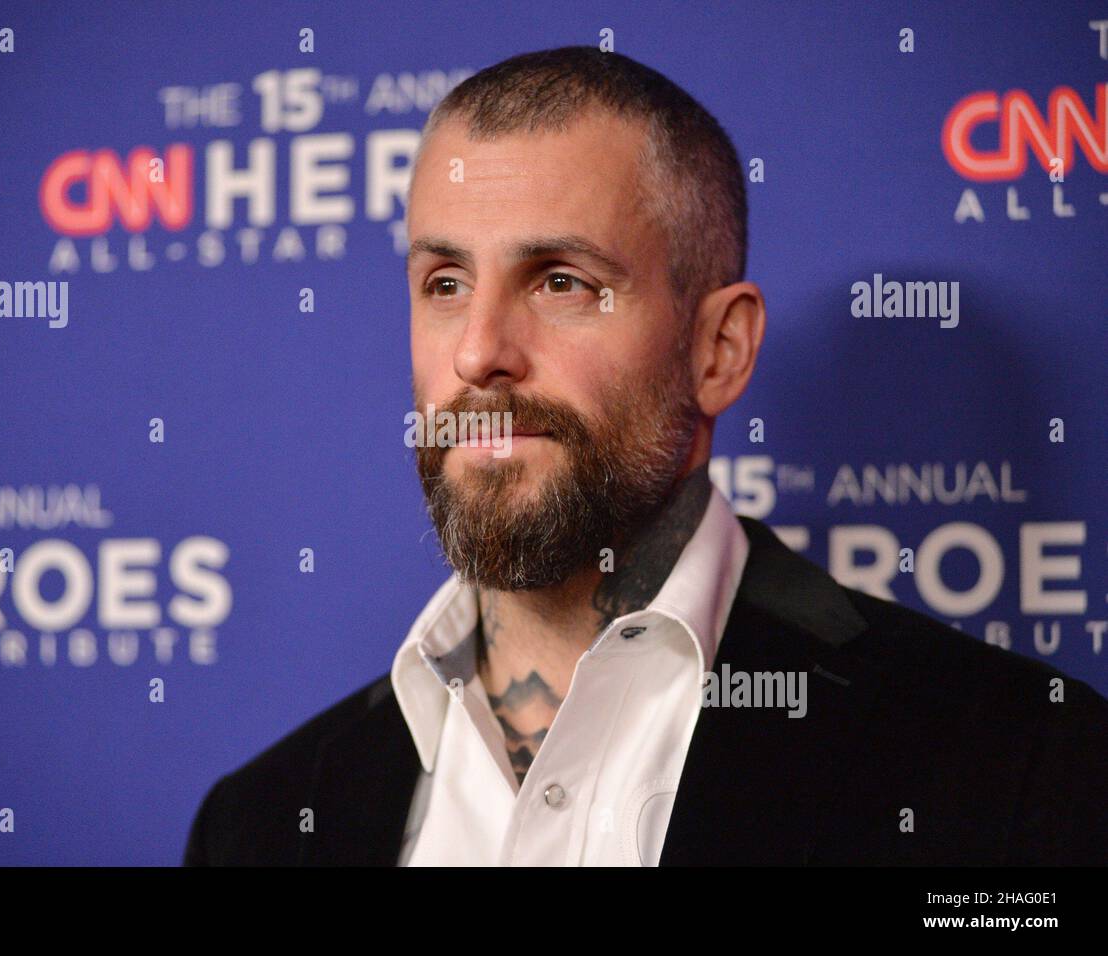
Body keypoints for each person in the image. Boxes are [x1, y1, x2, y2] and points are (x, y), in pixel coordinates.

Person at [183, 46, 1108, 866]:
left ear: (720, 350)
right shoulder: (260, 823)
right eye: (446, 282)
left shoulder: (1013, 767)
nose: (476, 352)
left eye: (561, 282)